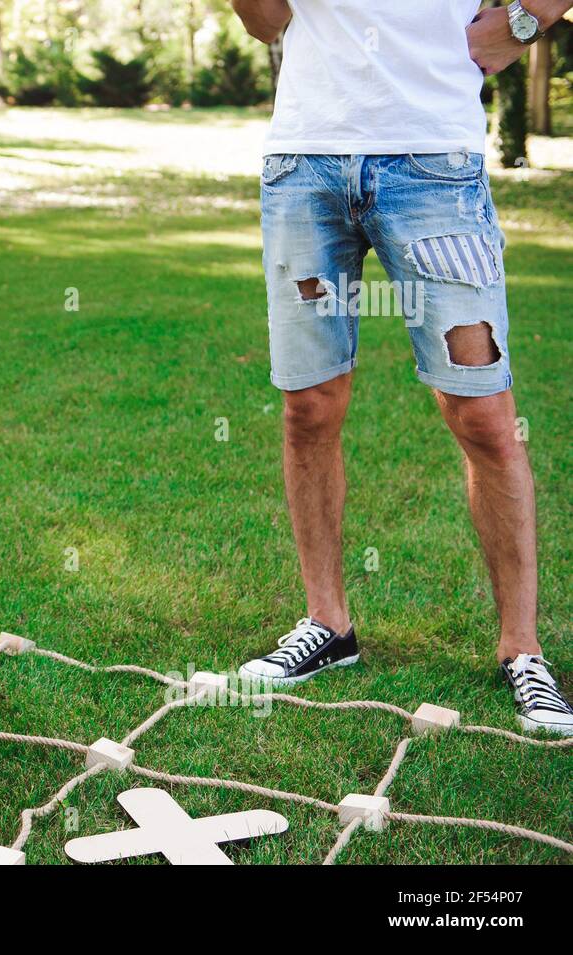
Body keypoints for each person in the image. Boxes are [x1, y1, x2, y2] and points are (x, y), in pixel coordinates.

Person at [230, 0, 573, 735]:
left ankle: (522, 648)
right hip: (305, 160)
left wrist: (515, 28)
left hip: (433, 162)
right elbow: (264, 23)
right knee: (308, 406)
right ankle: (329, 623)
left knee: (483, 414)